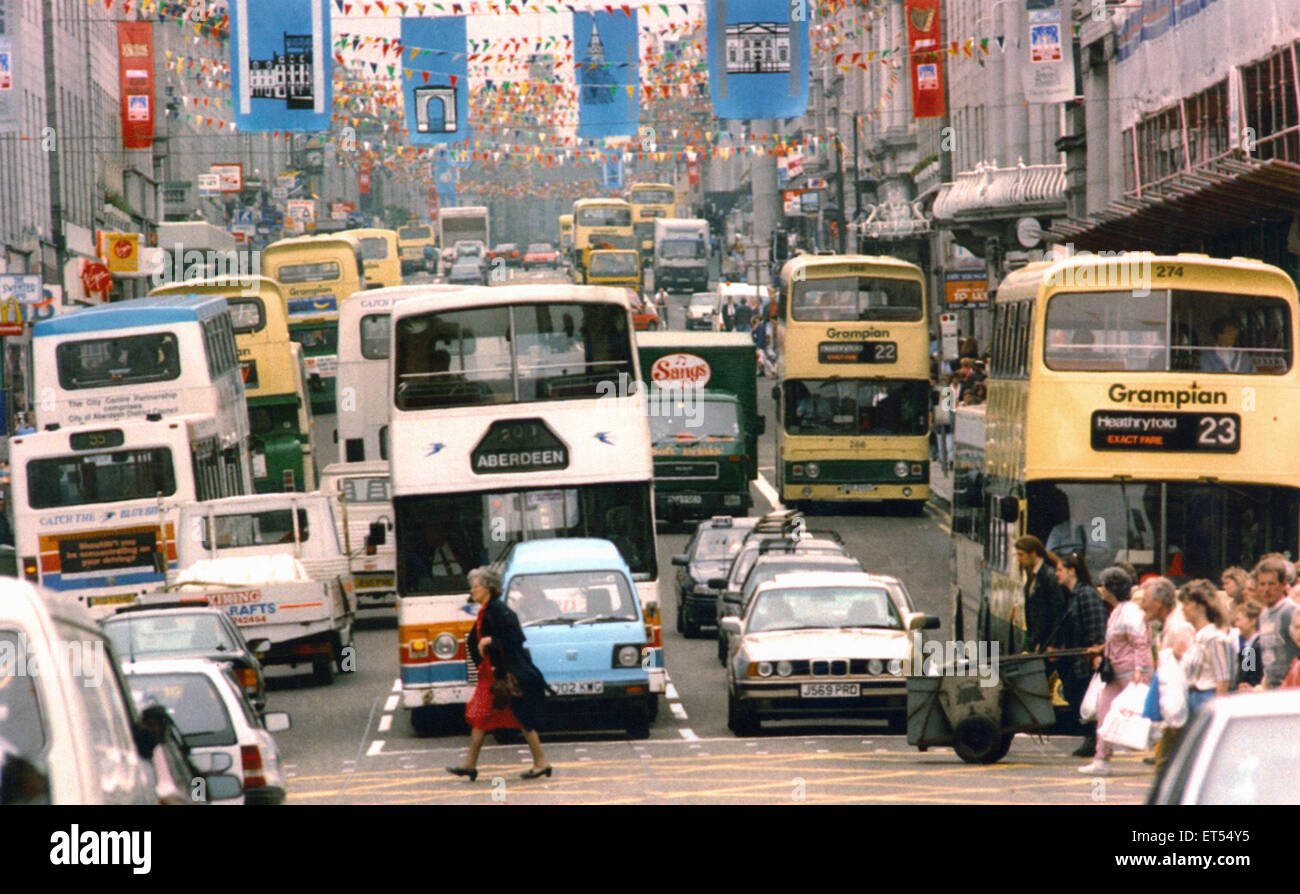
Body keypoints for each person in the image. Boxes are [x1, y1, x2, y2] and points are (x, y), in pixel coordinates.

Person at [447, 567, 553, 781]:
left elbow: (515, 638)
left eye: (475, 586)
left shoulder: (499, 610)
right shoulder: (486, 610)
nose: (472, 590)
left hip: (504, 674)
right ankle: (470, 764)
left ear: (488, 588)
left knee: (514, 715)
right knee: (483, 717)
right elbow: (473, 641)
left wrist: (491, 642)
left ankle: (540, 762)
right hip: (492, 674)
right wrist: (481, 658)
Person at [1080, 567, 1151, 775]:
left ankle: (1167, 752)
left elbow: (1140, 642)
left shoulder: (1129, 612)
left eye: (1103, 585)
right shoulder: (1118, 611)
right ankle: (1101, 759)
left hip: (1130, 672)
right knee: (1104, 710)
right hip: (1116, 671)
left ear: (1111, 588)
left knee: (1143, 714)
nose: (1100, 589)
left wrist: (1140, 670)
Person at [1053, 553, 1108, 757]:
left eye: (1059, 569)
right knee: (1076, 696)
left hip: (1086, 659)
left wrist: (1096, 651)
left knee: (1087, 697)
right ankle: (1091, 738)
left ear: (1071, 571)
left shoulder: (1086, 594)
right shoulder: (1070, 596)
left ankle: (1094, 739)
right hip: (1075, 659)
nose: (1056, 574)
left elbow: (1096, 623)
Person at [1177, 579, 1235, 721]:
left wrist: (1218, 715)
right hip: (1193, 698)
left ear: (1201, 606)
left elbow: (1223, 680)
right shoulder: (1196, 637)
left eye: (1187, 603)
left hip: (1207, 697)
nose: (1183, 608)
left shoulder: (1214, 639)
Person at [1250, 555, 1299, 688]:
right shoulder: (1263, 615)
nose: (1266, 589)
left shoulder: (1291, 612)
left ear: (1283, 585)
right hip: (1271, 688)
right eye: (1262, 584)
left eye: (1271, 584)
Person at [1013, 536, 1067, 654]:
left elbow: (1057, 611)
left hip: (1048, 644)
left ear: (1033, 553)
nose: (1018, 559)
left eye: (1021, 555)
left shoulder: (1048, 576)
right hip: (1040, 642)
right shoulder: (1034, 575)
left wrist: (1053, 644)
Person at [1233, 601, 1263, 689]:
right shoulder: (1247, 648)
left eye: (1239, 620)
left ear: (1252, 621)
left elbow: (1256, 677)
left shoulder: (1258, 647)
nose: (1236, 624)